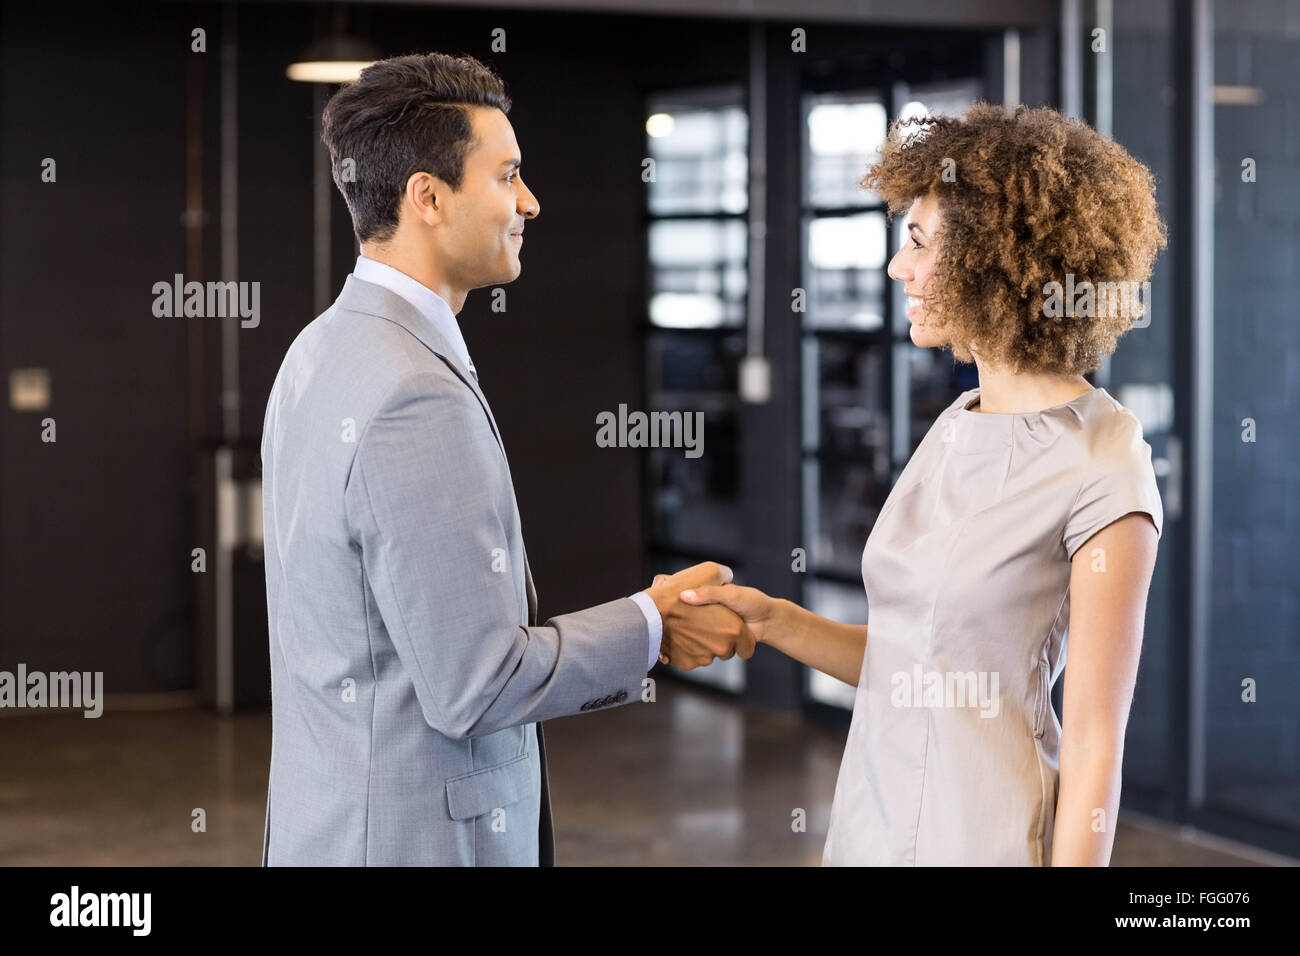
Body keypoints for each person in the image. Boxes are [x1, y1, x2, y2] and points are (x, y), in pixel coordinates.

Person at [259, 52, 749, 866]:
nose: (530, 202)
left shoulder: (317, 351)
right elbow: (476, 684)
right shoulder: (415, 393)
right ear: (427, 196)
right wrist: (653, 623)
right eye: (508, 176)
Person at [674, 104, 1167, 866]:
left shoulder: (1104, 463)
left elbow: (1098, 742)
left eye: (917, 242)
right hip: (868, 831)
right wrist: (771, 619)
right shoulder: (956, 422)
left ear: (994, 258)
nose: (896, 268)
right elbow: (919, 661)